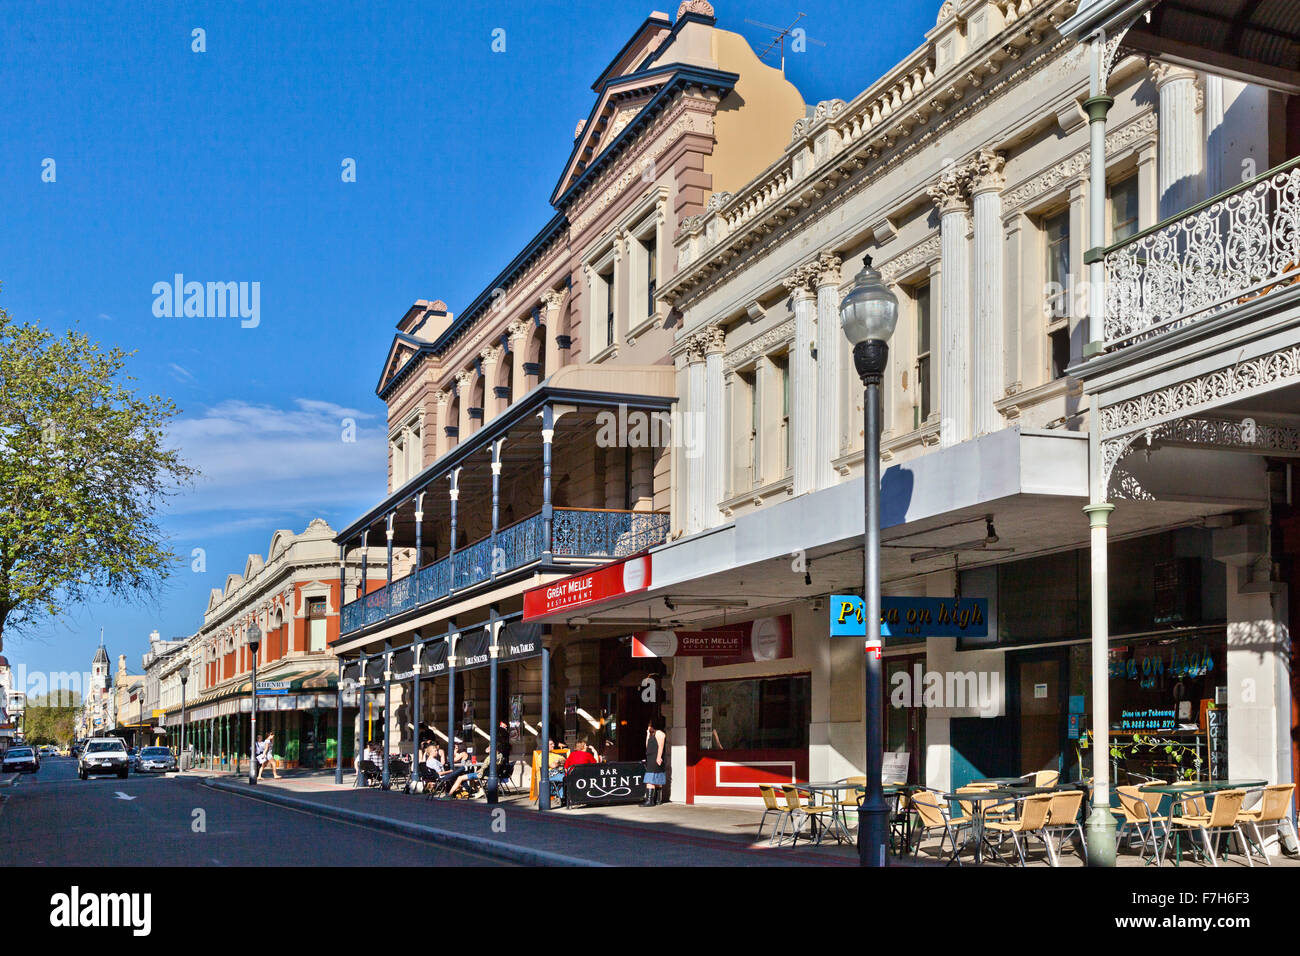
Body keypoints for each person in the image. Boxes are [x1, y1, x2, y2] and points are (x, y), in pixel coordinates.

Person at [643, 717, 667, 806]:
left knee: (650, 778)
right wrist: (647, 734)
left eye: (650, 724)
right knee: (656, 777)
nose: (648, 726)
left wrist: (659, 757)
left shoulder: (659, 733)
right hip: (651, 757)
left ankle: (649, 801)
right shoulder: (651, 734)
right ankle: (657, 800)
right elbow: (647, 746)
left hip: (655, 758)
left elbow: (661, 746)